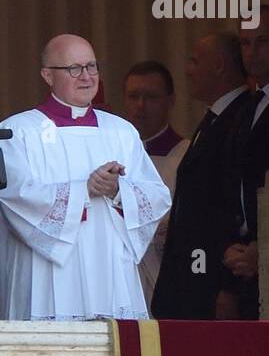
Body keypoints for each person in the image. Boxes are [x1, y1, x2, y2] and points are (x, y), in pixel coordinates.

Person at [0, 34, 171, 320]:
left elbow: (157, 196)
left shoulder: (121, 132)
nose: (86, 77)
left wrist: (118, 190)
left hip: (110, 271)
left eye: (92, 67)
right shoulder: (17, 132)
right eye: (73, 69)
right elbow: (14, 197)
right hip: (47, 274)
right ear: (47, 75)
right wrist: (83, 190)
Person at [152, 33, 255, 320]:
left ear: (219, 65)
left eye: (195, 61)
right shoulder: (213, 119)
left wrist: (227, 288)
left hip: (211, 288)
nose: (188, 69)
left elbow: (234, 205)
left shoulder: (241, 117)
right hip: (190, 287)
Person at [223, 5, 269, 318]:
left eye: (261, 41)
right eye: (245, 43)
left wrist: (265, 244)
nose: (252, 52)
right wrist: (230, 247)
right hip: (240, 259)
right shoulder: (246, 107)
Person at [121, 60, 189, 305]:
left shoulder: (187, 155)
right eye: (133, 96)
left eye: (150, 97)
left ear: (170, 101)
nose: (140, 106)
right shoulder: (111, 155)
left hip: (166, 279)